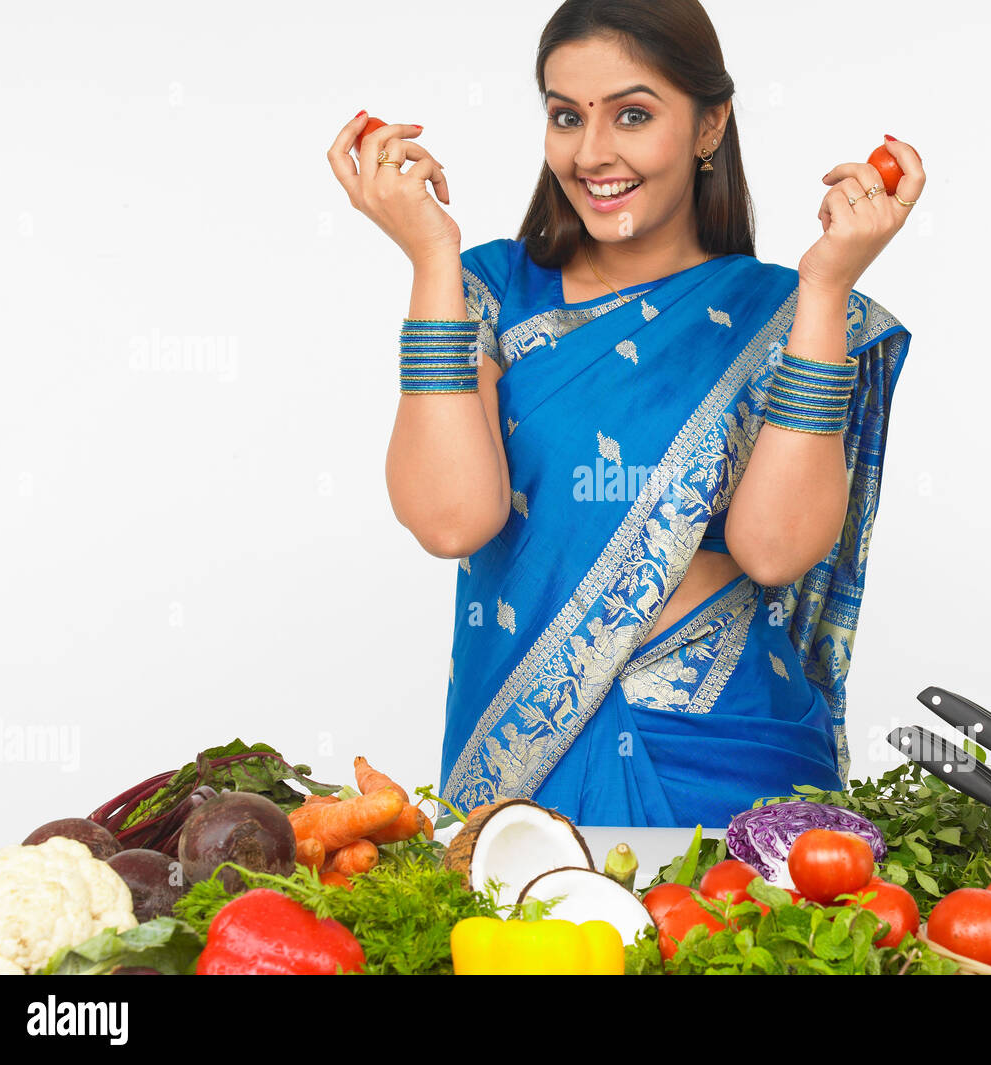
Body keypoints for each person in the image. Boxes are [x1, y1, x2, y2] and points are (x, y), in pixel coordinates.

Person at [326, 0, 925, 827]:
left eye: (633, 115)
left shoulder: (781, 314)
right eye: (566, 115)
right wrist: (432, 258)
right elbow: (451, 519)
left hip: (728, 749)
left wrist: (825, 290)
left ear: (709, 125)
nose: (593, 152)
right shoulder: (495, 294)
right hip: (531, 773)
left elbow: (774, 547)